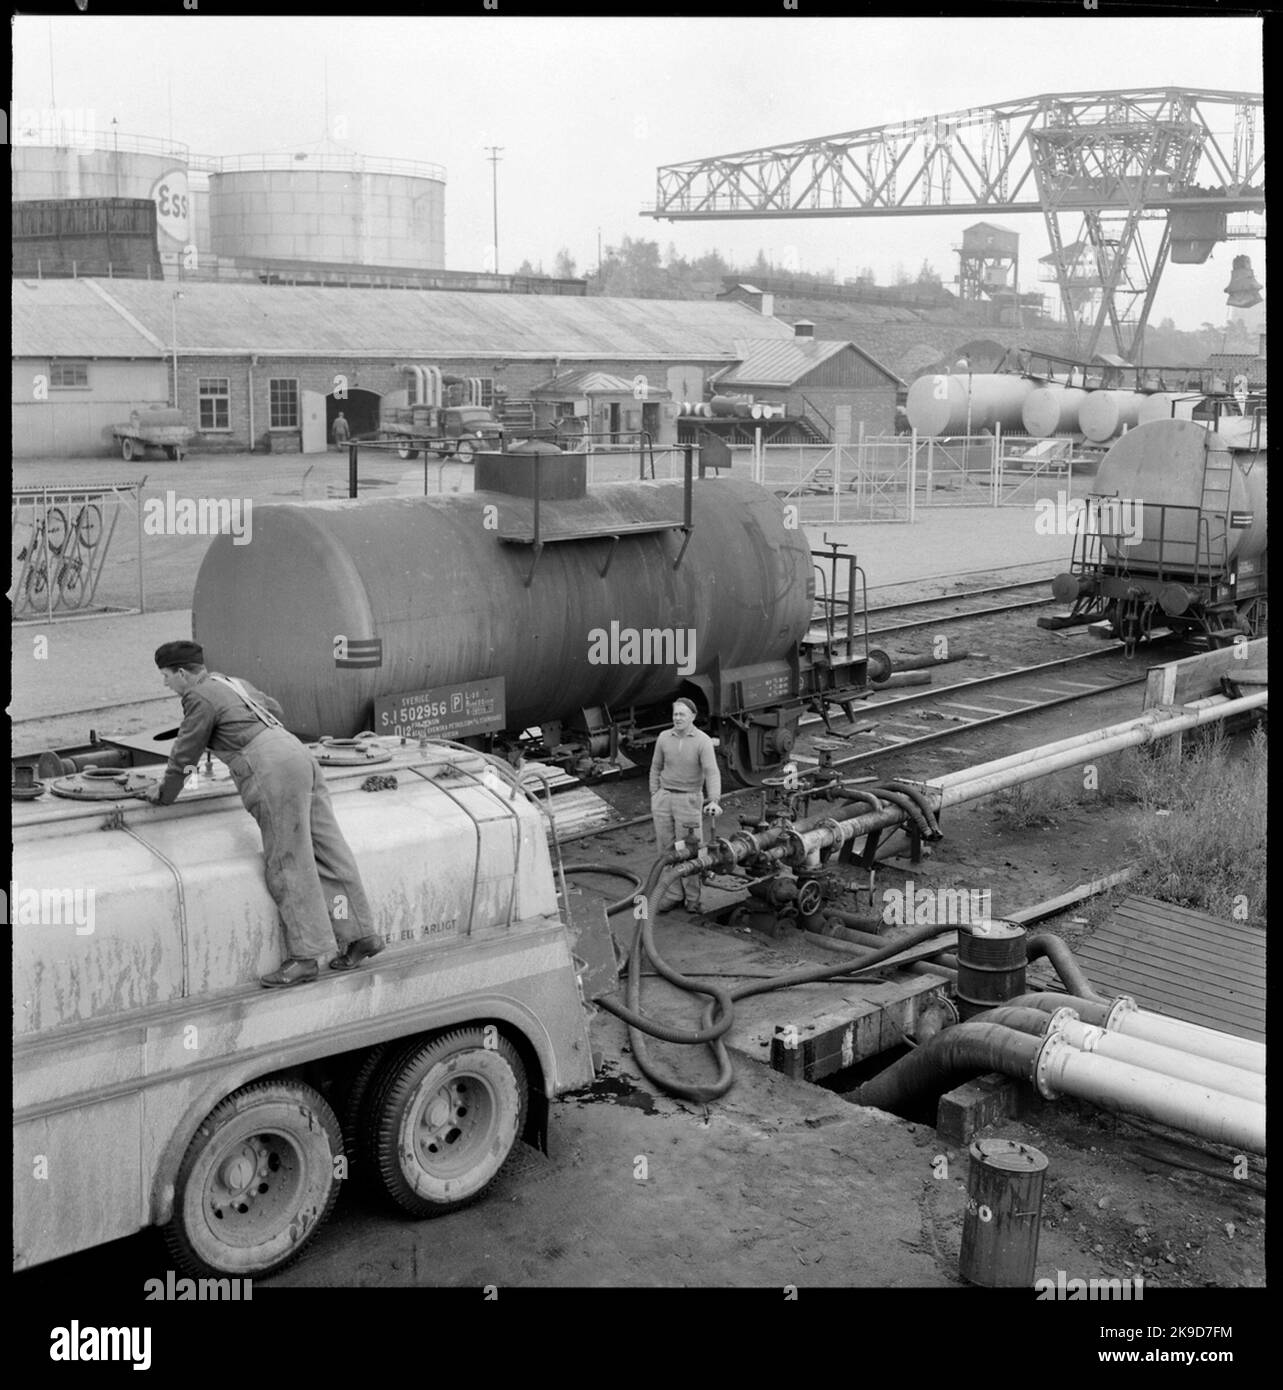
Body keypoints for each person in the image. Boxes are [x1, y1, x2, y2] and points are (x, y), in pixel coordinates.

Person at [142, 640, 383, 988]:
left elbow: (185, 753)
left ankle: (305, 956)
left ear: (182, 673)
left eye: (166, 676)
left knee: (287, 862)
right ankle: (362, 935)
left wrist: (164, 794)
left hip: (272, 769)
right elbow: (274, 708)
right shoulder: (230, 682)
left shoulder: (197, 698)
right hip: (298, 755)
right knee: (330, 852)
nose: (166, 684)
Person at [649, 698, 722, 913]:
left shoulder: (702, 741)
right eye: (675, 714)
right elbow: (655, 767)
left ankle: (692, 898)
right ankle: (673, 894)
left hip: (689, 800)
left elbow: (711, 772)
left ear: (692, 716)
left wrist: (714, 800)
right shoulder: (664, 737)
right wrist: (655, 793)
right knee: (666, 849)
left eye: (682, 714)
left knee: (690, 850)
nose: (677, 718)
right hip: (664, 799)